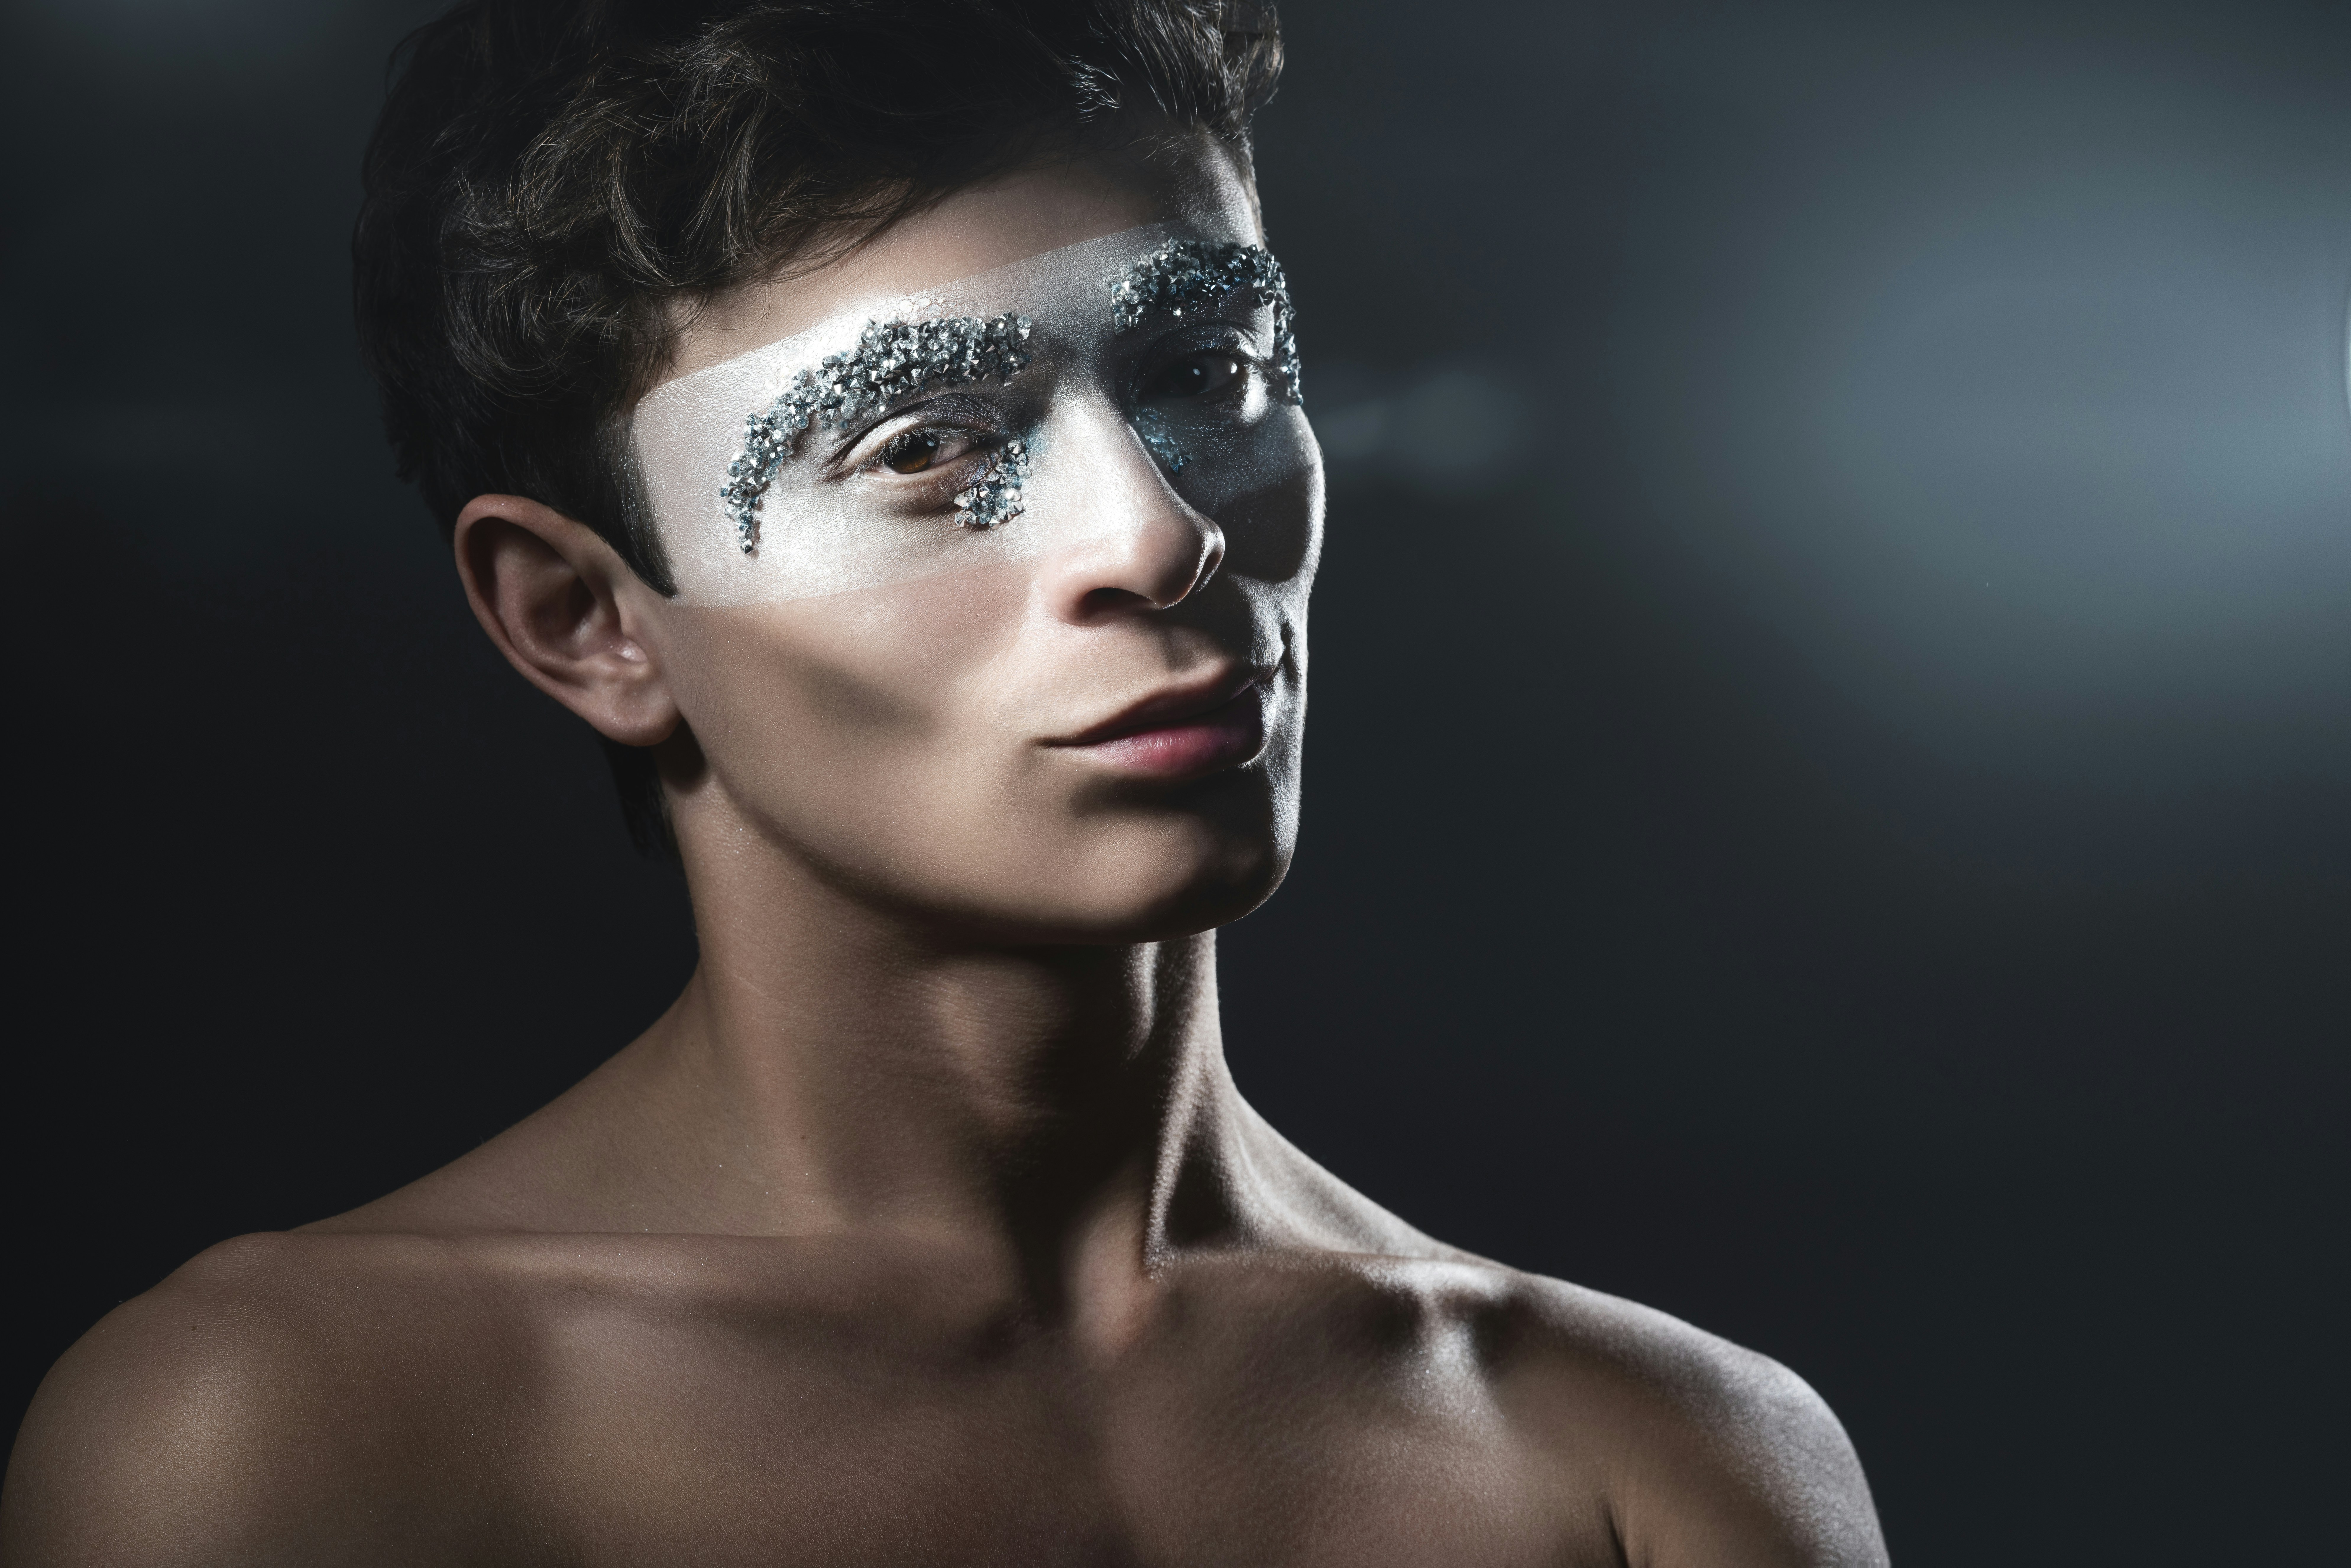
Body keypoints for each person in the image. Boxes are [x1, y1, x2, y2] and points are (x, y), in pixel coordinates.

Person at [0, 2, 1889, 1562]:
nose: (1160, 538)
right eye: (924, 441)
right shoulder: (287, 1440)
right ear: (589, 619)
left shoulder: (1659, 1467)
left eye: (1212, 367)